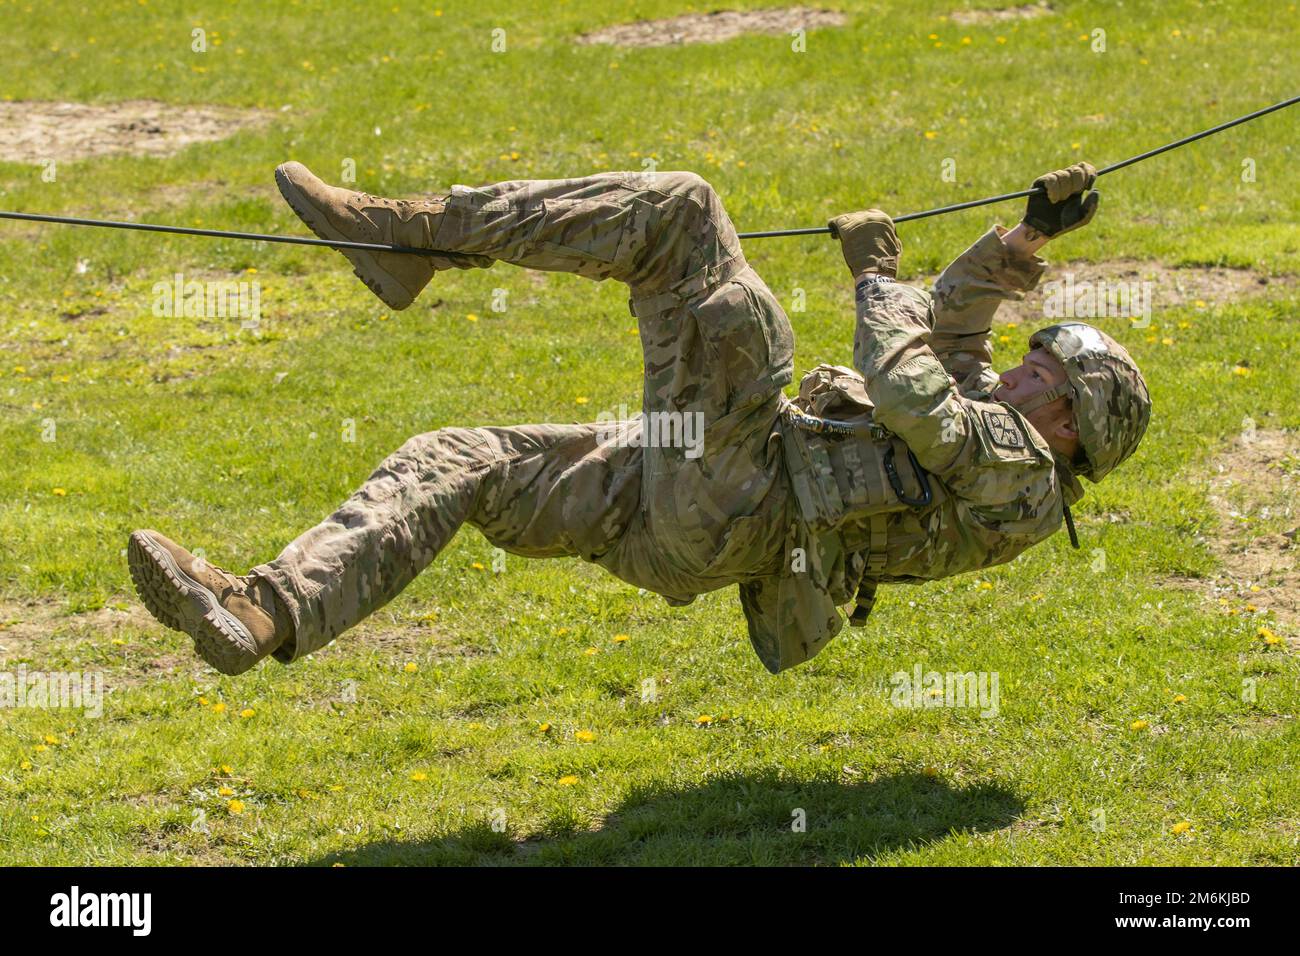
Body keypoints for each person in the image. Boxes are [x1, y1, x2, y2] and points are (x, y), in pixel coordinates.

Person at [127, 160, 1150, 677]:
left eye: (1038, 371)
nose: (1016, 373)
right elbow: (957, 334)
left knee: (691, 231)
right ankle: (262, 611)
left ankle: (412, 237)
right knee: (464, 457)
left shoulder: (1019, 479)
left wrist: (874, 273)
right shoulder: (1010, 435)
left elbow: (908, 384)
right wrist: (1027, 233)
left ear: (1068, 422)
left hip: (747, 499)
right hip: (689, 504)